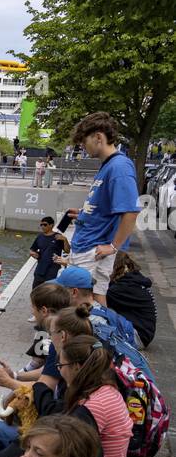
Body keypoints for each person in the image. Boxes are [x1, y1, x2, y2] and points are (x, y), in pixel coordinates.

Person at [57, 335, 133, 457]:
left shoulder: (90, 408)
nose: (58, 369)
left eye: (60, 364)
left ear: (76, 367)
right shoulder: (108, 389)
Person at [62, 112, 141, 294]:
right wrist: (84, 212)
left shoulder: (119, 167)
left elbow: (130, 211)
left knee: (83, 304)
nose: (83, 147)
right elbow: (107, 206)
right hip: (87, 246)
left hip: (93, 250)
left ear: (98, 137)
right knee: (87, 303)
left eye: (84, 141)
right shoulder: (108, 165)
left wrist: (113, 247)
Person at [54, 266, 153, 378]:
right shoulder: (97, 309)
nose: (56, 294)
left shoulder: (91, 322)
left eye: (60, 290)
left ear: (74, 292)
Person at [106, 252, 157, 348]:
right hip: (143, 333)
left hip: (137, 336)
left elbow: (99, 301)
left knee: (96, 317)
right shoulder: (132, 279)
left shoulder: (120, 288)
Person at [29, 216, 70, 287]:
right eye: (41, 225)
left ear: (51, 225)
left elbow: (67, 251)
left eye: (45, 225)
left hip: (53, 270)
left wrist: (65, 240)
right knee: (36, 291)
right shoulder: (40, 236)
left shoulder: (58, 237)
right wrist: (32, 253)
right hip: (40, 269)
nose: (42, 227)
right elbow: (32, 249)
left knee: (49, 292)